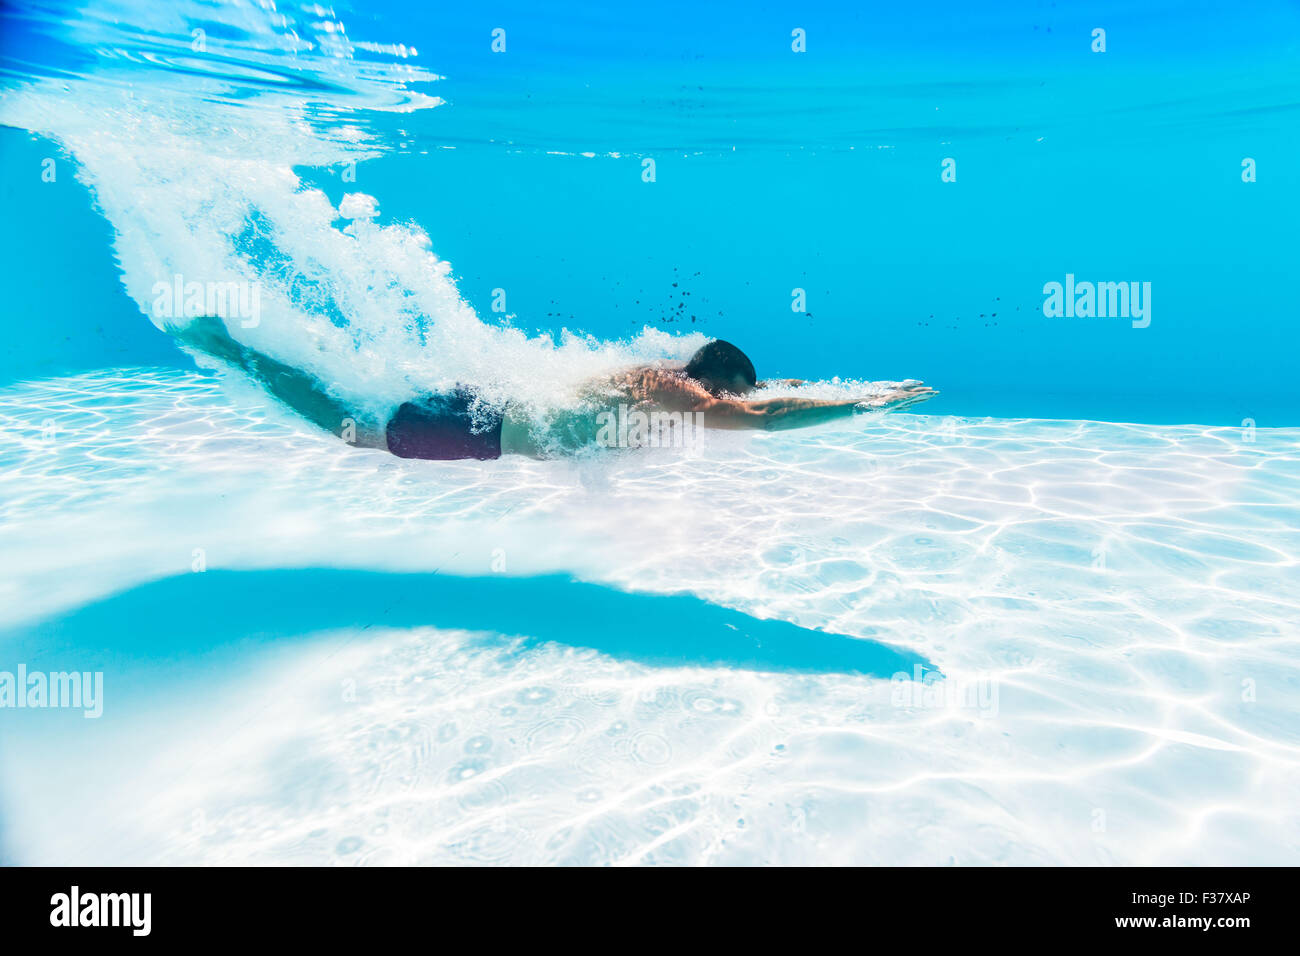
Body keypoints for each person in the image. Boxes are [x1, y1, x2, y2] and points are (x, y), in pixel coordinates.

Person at [171, 317, 936, 460]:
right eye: (738, 390)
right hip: (482, 430)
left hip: (492, 415)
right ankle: (234, 350)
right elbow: (762, 423)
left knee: (367, 412)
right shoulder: (674, 393)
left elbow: (774, 393)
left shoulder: (662, 378)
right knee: (355, 430)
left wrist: (857, 385)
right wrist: (862, 406)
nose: (743, 399)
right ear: (714, 381)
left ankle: (241, 350)